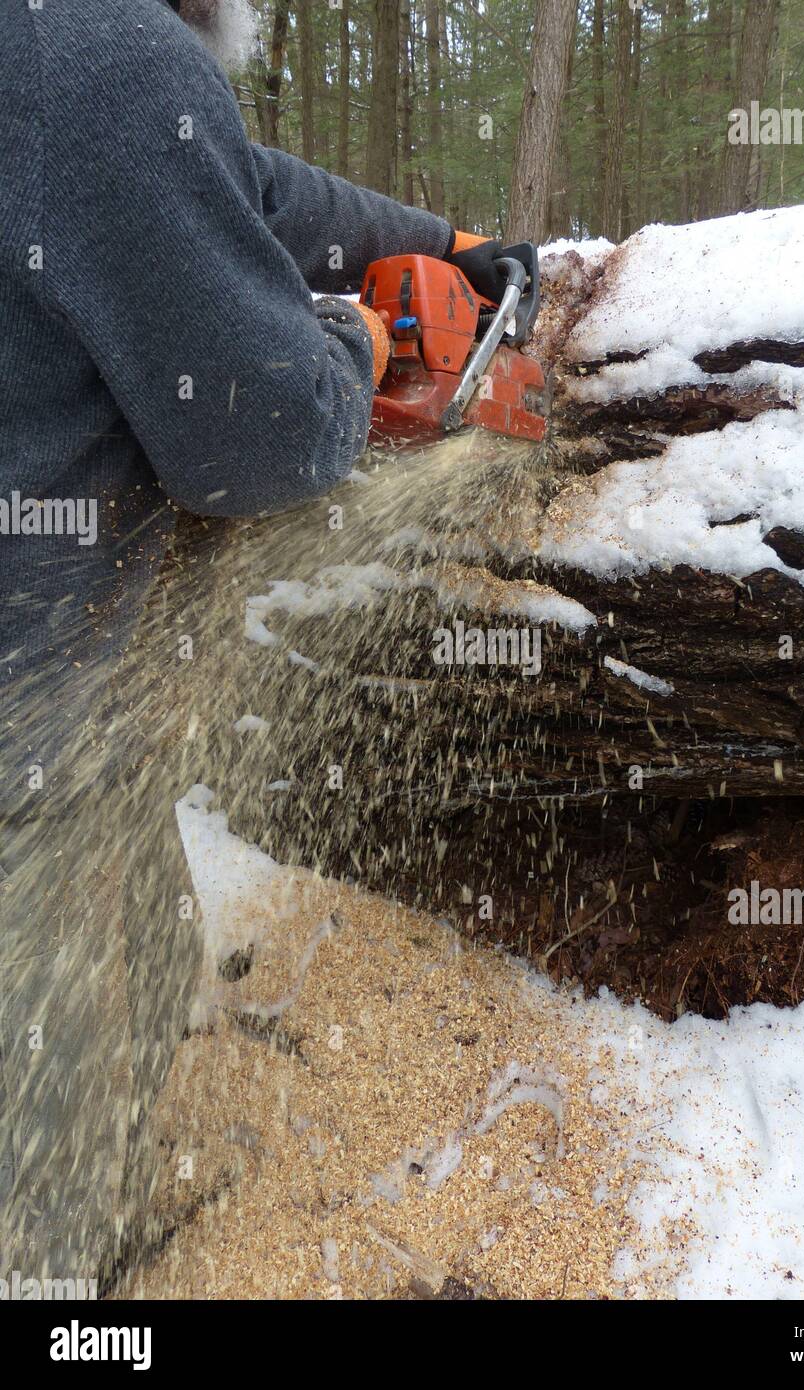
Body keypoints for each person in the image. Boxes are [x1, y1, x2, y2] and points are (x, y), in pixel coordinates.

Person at [0, 0, 508, 1286]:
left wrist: (438, 244)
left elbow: (231, 184)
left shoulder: (73, 65)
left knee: (129, 889)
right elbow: (259, 437)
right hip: (26, 739)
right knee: (37, 1081)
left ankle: (129, 1157)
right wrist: (353, 342)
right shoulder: (99, 50)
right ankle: (71, 1279)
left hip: (61, 721)